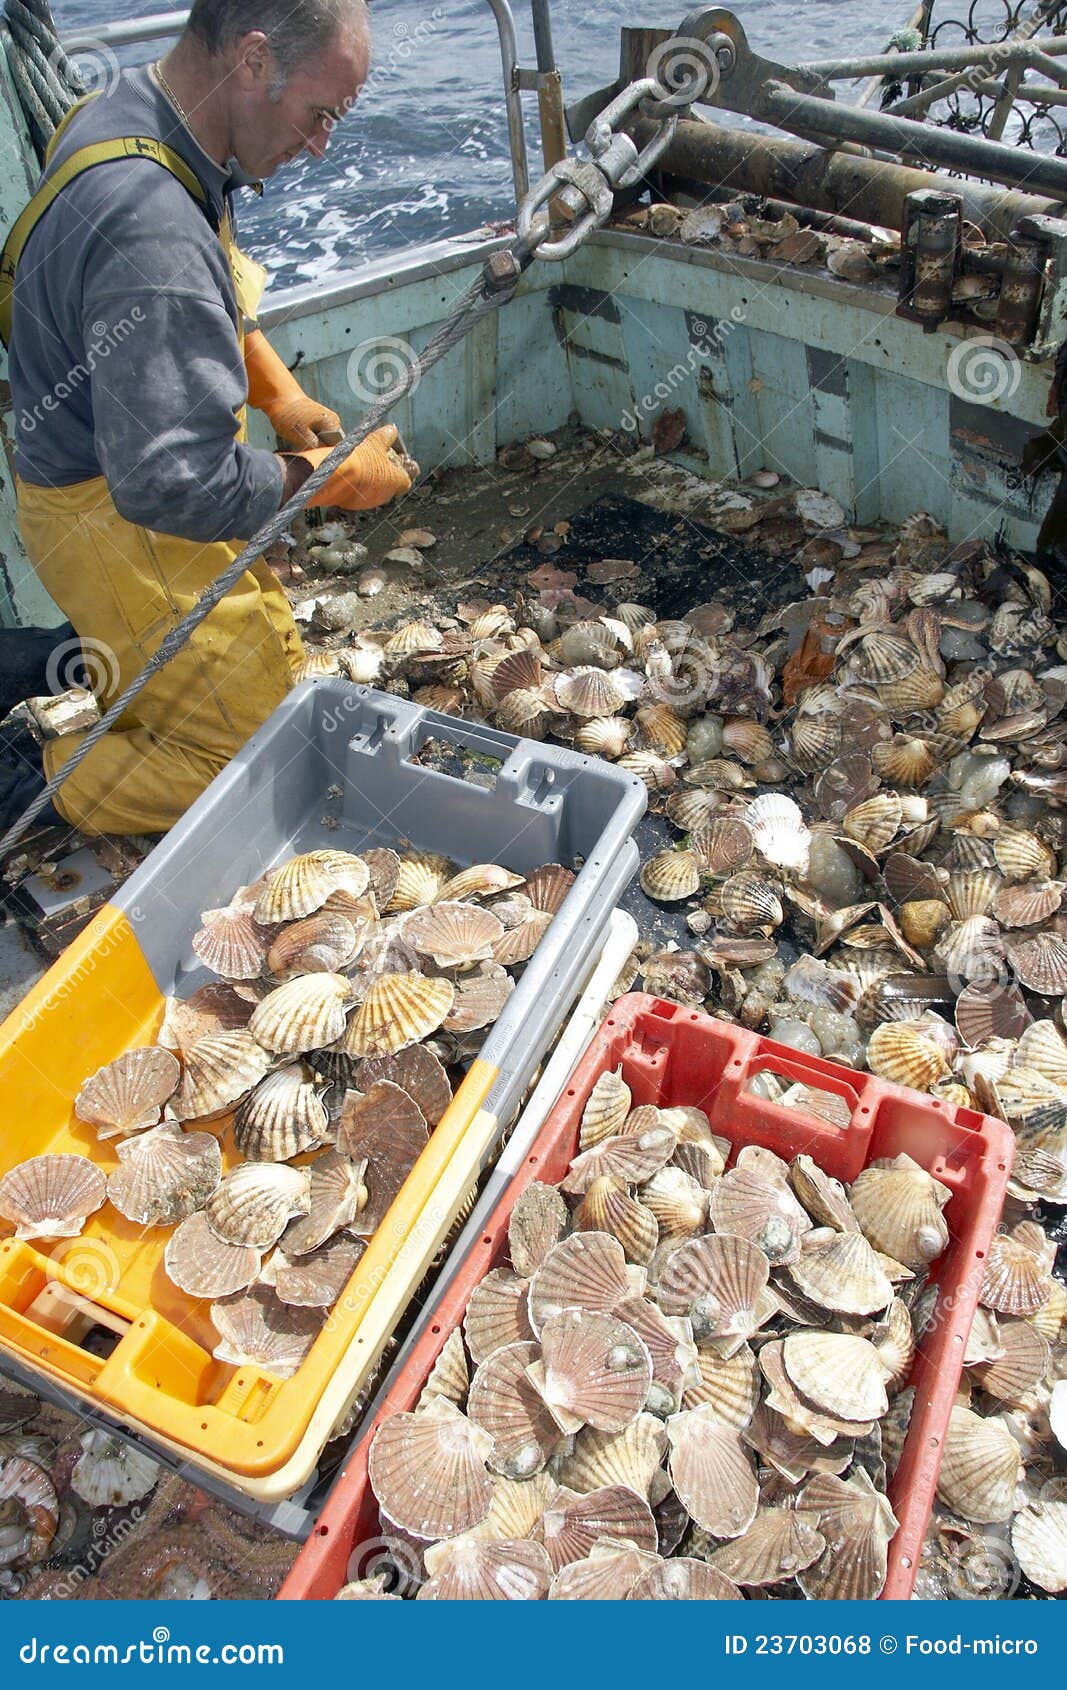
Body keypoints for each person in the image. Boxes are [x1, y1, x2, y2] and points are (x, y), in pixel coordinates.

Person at [1, 0, 410, 837]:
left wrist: (275, 391)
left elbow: (203, 276)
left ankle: (62, 657)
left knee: (208, 656)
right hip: (121, 518)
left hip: (86, 484)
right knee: (272, 755)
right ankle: (33, 778)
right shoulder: (149, 222)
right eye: (320, 113)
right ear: (255, 60)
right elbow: (172, 484)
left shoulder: (137, 116)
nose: (322, 142)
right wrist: (334, 480)